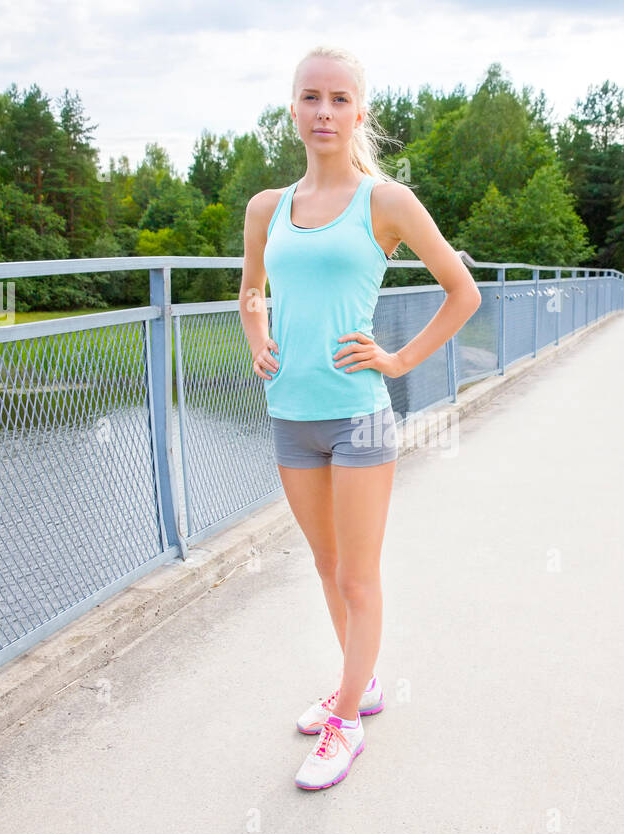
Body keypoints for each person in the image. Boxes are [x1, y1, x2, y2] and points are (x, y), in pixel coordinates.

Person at [238, 45, 481, 790]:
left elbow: (463, 291)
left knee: (358, 578)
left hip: (359, 417)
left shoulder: (387, 202)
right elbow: (250, 292)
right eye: (311, 97)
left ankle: (346, 724)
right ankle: (360, 684)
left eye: (340, 99)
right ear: (293, 110)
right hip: (291, 415)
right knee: (324, 564)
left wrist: (400, 361)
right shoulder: (266, 208)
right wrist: (258, 340)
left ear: (359, 113)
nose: (324, 112)